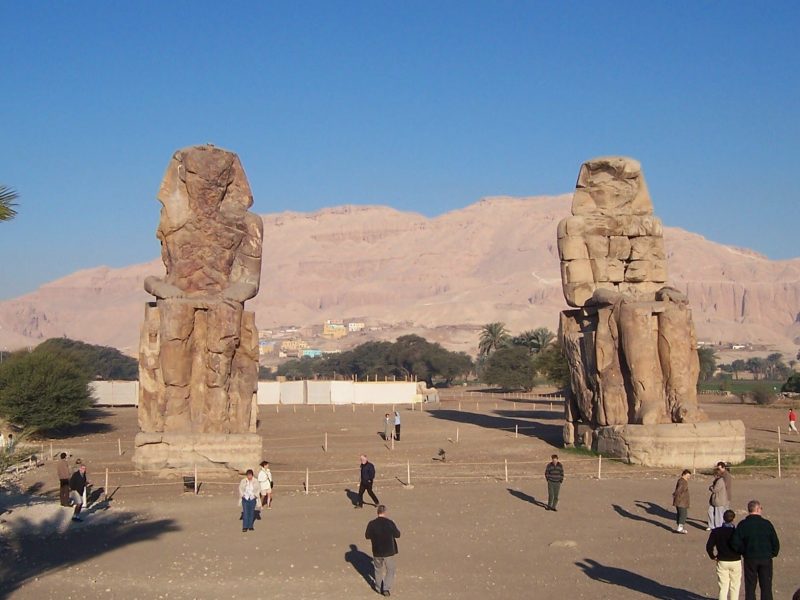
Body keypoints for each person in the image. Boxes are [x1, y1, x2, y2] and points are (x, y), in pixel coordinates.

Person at [730, 500, 780, 600]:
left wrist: (744, 551)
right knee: (766, 586)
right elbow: (775, 542)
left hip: (750, 558)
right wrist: (772, 553)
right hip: (765, 558)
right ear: (757, 509)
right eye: (761, 508)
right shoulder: (767, 524)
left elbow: (734, 542)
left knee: (750, 586)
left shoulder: (743, 525)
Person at [365, 504, 401, 597]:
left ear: (377, 512)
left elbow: (367, 536)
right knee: (390, 569)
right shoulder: (389, 522)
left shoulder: (371, 523)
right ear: (385, 512)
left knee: (378, 570)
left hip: (376, 550)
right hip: (388, 551)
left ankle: (378, 587)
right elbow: (397, 534)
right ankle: (385, 588)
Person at [706, 509, 742, 600]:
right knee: (735, 585)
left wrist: (713, 556)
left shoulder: (716, 531)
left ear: (723, 518)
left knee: (723, 586)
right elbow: (742, 546)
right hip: (735, 560)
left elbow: (709, 546)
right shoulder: (737, 532)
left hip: (722, 560)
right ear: (733, 519)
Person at [707, 466, 728, 530]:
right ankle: (711, 526)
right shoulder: (717, 480)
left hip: (719, 500)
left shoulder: (720, 481)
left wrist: (711, 488)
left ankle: (718, 527)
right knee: (710, 512)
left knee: (718, 515)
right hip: (714, 500)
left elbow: (715, 490)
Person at [672, 469, 691, 533]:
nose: (688, 477)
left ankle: (679, 527)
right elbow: (678, 490)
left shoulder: (680, 480)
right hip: (681, 501)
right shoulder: (683, 482)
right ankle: (680, 528)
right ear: (684, 474)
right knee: (683, 514)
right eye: (687, 476)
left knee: (680, 514)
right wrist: (676, 495)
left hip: (679, 501)